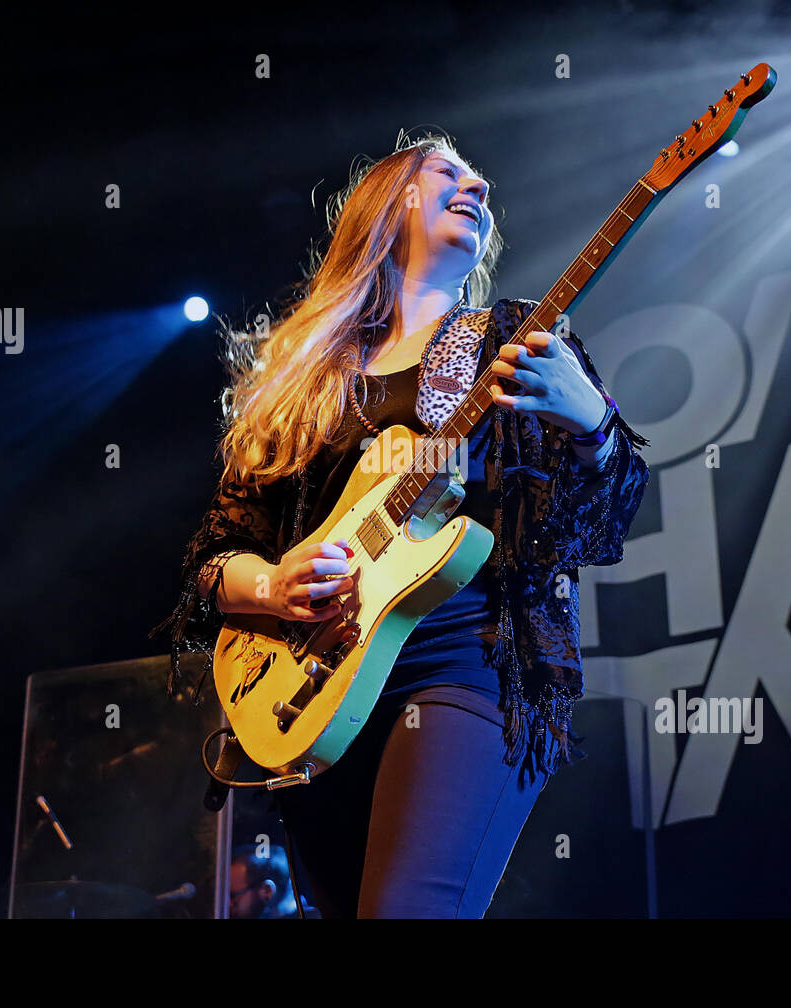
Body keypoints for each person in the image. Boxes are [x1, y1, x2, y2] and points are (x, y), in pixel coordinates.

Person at [152, 130, 650, 918]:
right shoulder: (307, 380)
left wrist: (591, 422)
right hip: (320, 687)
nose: (478, 187)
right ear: (389, 205)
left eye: (483, 181)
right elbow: (214, 560)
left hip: (466, 662)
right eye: (448, 173)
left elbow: (596, 527)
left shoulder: (506, 341)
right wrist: (277, 586)